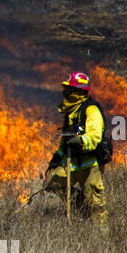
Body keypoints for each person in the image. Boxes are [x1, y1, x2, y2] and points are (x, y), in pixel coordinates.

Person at [41, 71, 108, 231]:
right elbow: (65, 142)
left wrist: (79, 141)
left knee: (95, 203)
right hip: (70, 164)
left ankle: (101, 235)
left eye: (69, 90)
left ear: (78, 92)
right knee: (53, 183)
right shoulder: (71, 113)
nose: (65, 93)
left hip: (89, 165)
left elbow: (94, 136)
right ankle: (79, 201)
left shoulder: (90, 110)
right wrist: (56, 159)